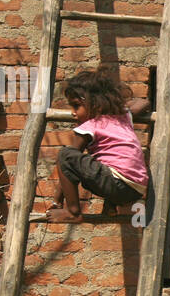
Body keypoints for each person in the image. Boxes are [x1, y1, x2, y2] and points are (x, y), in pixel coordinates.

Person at [46, 69, 150, 222]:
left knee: (65, 155)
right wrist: (118, 106)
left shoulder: (90, 126)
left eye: (76, 106)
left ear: (97, 105)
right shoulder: (123, 116)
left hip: (116, 183)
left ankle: (73, 212)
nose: (73, 113)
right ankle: (111, 205)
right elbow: (144, 102)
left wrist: (57, 201)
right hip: (136, 188)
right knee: (105, 162)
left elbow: (66, 165)